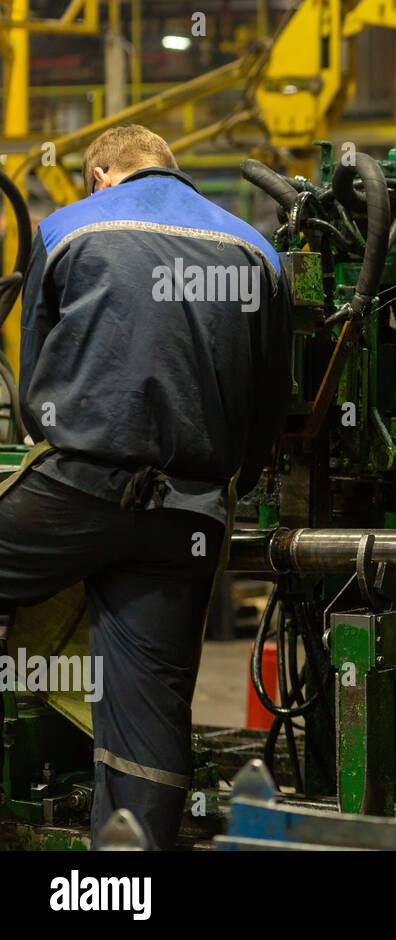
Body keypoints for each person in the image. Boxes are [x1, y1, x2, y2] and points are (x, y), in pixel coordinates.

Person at [0, 124, 290, 848]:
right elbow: (268, 406)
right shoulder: (258, 251)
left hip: (81, 489)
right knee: (147, 707)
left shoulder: (66, 229)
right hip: (190, 515)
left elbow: (37, 395)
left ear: (101, 175)